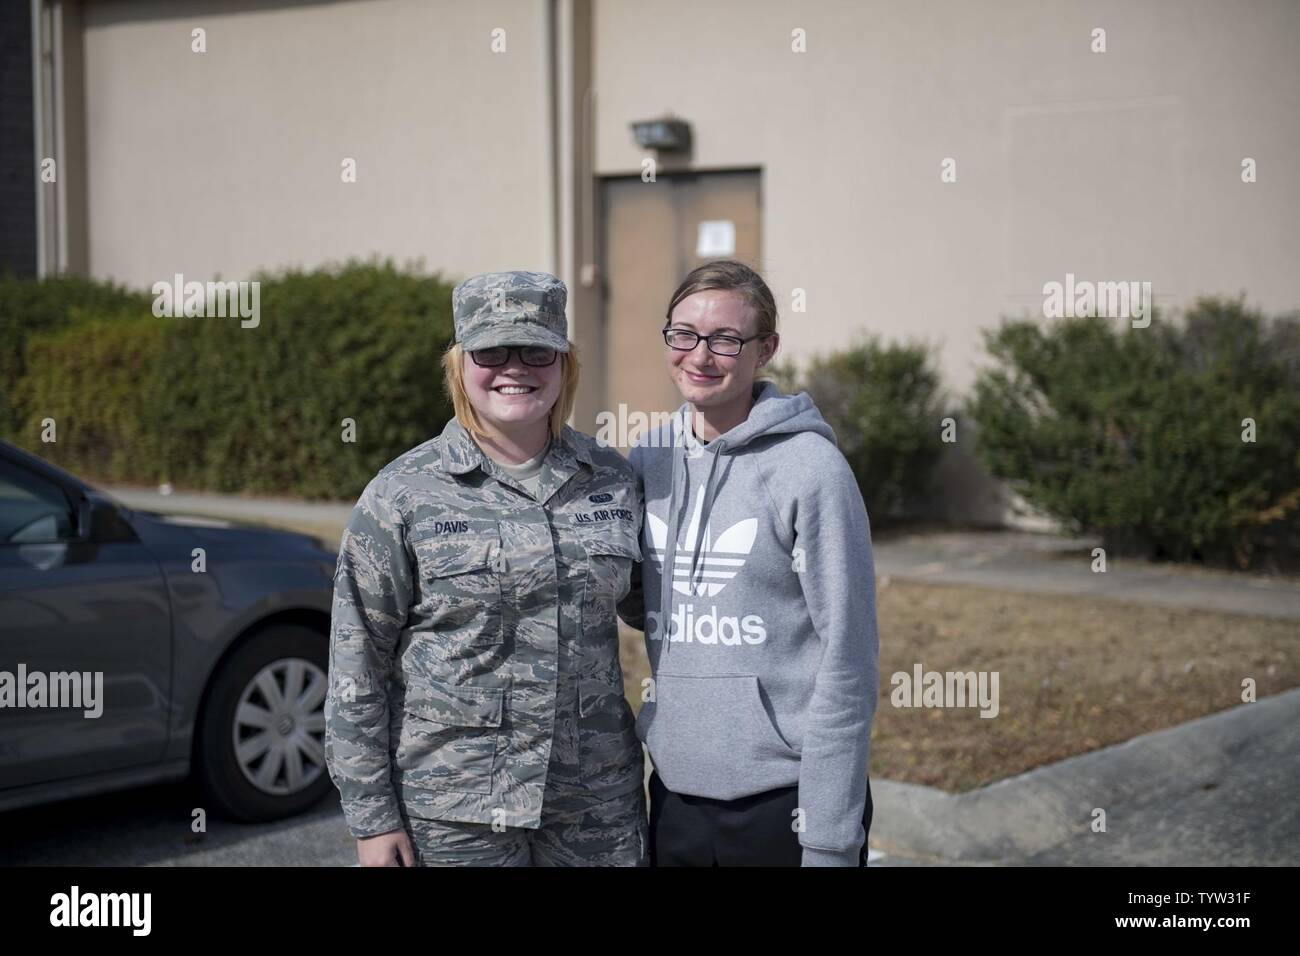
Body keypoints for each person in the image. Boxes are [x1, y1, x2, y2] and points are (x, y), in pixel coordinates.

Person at [325, 270, 646, 866]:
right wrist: (371, 818)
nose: (514, 367)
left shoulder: (612, 480)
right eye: (491, 350)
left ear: (564, 362)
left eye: (536, 350)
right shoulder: (403, 494)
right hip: (454, 809)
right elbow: (356, 663)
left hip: (595, 804)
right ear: (460, 364)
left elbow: (664, 614)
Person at [618, 259, 879, 866]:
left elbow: (849, 657)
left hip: (783, 803)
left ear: (766, 350)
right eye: (683, 334)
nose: (700, 356)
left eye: (726, 339)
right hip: (676, 793)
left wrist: (830, 838)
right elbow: (643, 598)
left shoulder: (810, 470)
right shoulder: (649, 458)